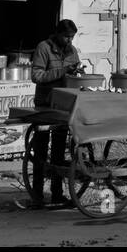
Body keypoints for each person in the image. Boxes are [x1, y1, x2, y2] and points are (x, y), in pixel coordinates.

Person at [30, 19, 82, 205]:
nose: (69, 40)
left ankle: (57, 193)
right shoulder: (43, 48)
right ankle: (37, 195)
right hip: (45, 105)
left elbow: (75, 75)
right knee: (41, 152)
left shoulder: (72, 51)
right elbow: (36, 76)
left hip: (64, 106)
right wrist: (61, 71)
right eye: (66, 36)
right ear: (57, 34)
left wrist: (77, 73)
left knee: (59, 152)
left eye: (72, 37)